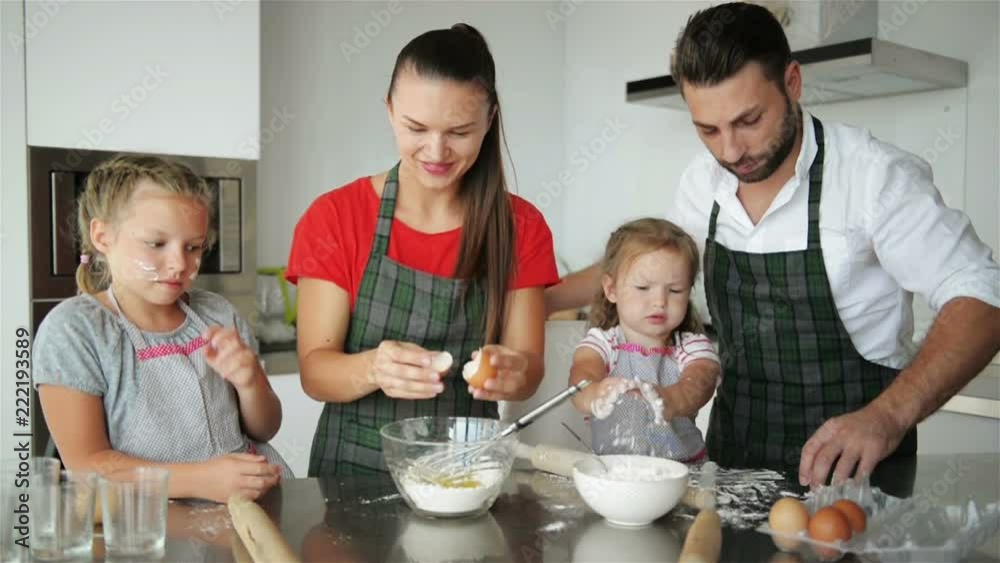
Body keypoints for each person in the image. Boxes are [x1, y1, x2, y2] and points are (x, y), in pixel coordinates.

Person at [547, 2, 999, 486]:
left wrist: (888, 416)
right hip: (732, 466)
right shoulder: (703, 183)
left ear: (793, 83)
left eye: (749, 121)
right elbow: (644, 265)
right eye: (708, 130)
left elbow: (982, 296)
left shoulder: (873, 177)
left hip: (854, 479)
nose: (730, 150)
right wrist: (542, 298)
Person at [286, 24, 559, 476]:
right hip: (351, 471)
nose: (436, 150)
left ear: (490, 120)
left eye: (459, 131)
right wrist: (375, 368)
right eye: (416, 127)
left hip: (467, 470)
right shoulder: (335, 216)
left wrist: (513, 371)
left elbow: (528, 371)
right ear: (390, 112)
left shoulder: (520, 227)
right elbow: (316, 374)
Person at [34, 155, 291, 503]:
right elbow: (87, 467)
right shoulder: (76, 331)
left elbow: (266, 427)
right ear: (102, 236)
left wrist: (250, 383)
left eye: (193, 247)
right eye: (156, 244)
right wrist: (202, 480)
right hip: (152, 519)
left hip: (253, 505)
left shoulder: (217, 313)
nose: (179, 264)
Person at [568, 218, 721, 463]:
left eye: (675, 290)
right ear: (611, 289)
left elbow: (700, 382)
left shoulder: (691, 346)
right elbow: (582, 374)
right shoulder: (603, 344)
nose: (660, 301)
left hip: (682, 473)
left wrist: (671, 399)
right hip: (614, 471)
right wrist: (595, 393)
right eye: (643, 288)